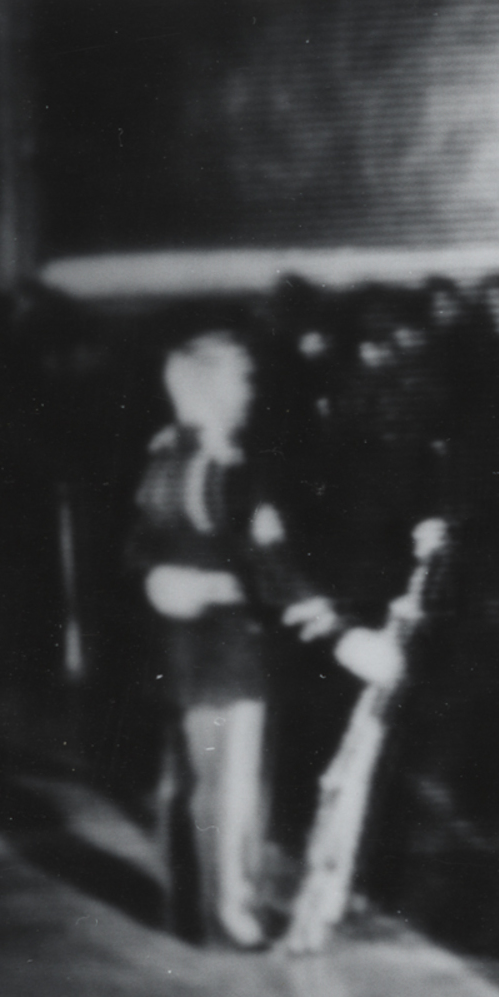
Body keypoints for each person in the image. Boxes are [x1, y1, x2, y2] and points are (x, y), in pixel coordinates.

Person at [128, 326, 401, 949]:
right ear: (211, 386)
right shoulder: (229, 470)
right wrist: (334, 628)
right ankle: (232, 912)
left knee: (187, 781)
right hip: (230, 651)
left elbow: (139, 551)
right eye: (241, 378)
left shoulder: (160, 459)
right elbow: (268, 564)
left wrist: (163, 583)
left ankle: (190, 911)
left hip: (174, 650)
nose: (250, 390)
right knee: (233, 788)